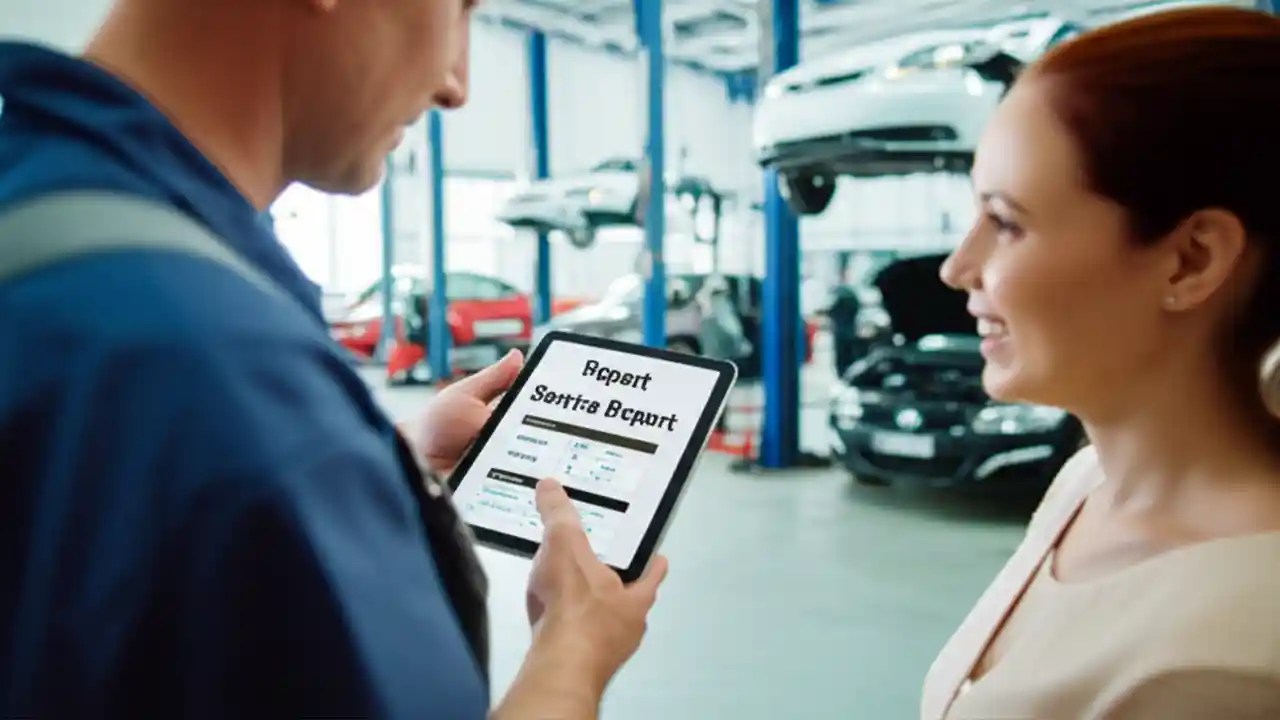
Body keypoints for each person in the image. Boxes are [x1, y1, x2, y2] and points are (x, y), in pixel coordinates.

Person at [0, 1, 665, 718]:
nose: (456, 83)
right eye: (460, 8)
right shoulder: (228, 372)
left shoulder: (43, 216)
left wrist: (380, 462)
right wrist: (574, 651)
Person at [921, 6, 1280, 718]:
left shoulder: (1231, 663)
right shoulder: (1088, 483)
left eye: (1007, 222)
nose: (958, 267)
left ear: (1190, 260)